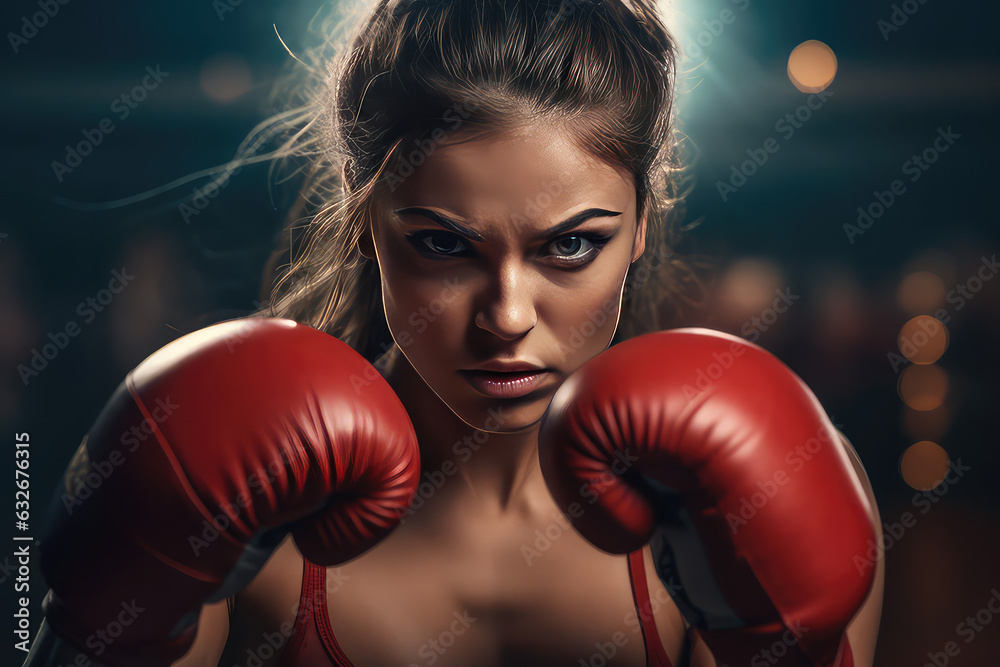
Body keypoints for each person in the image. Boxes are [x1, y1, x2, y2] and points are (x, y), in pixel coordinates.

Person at [24, 1, 885, 666]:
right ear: (368, 226)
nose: (507, 315)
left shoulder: (746, 501)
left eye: (571, 245)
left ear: (642, 227)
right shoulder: (241, 514)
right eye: (443, 244)